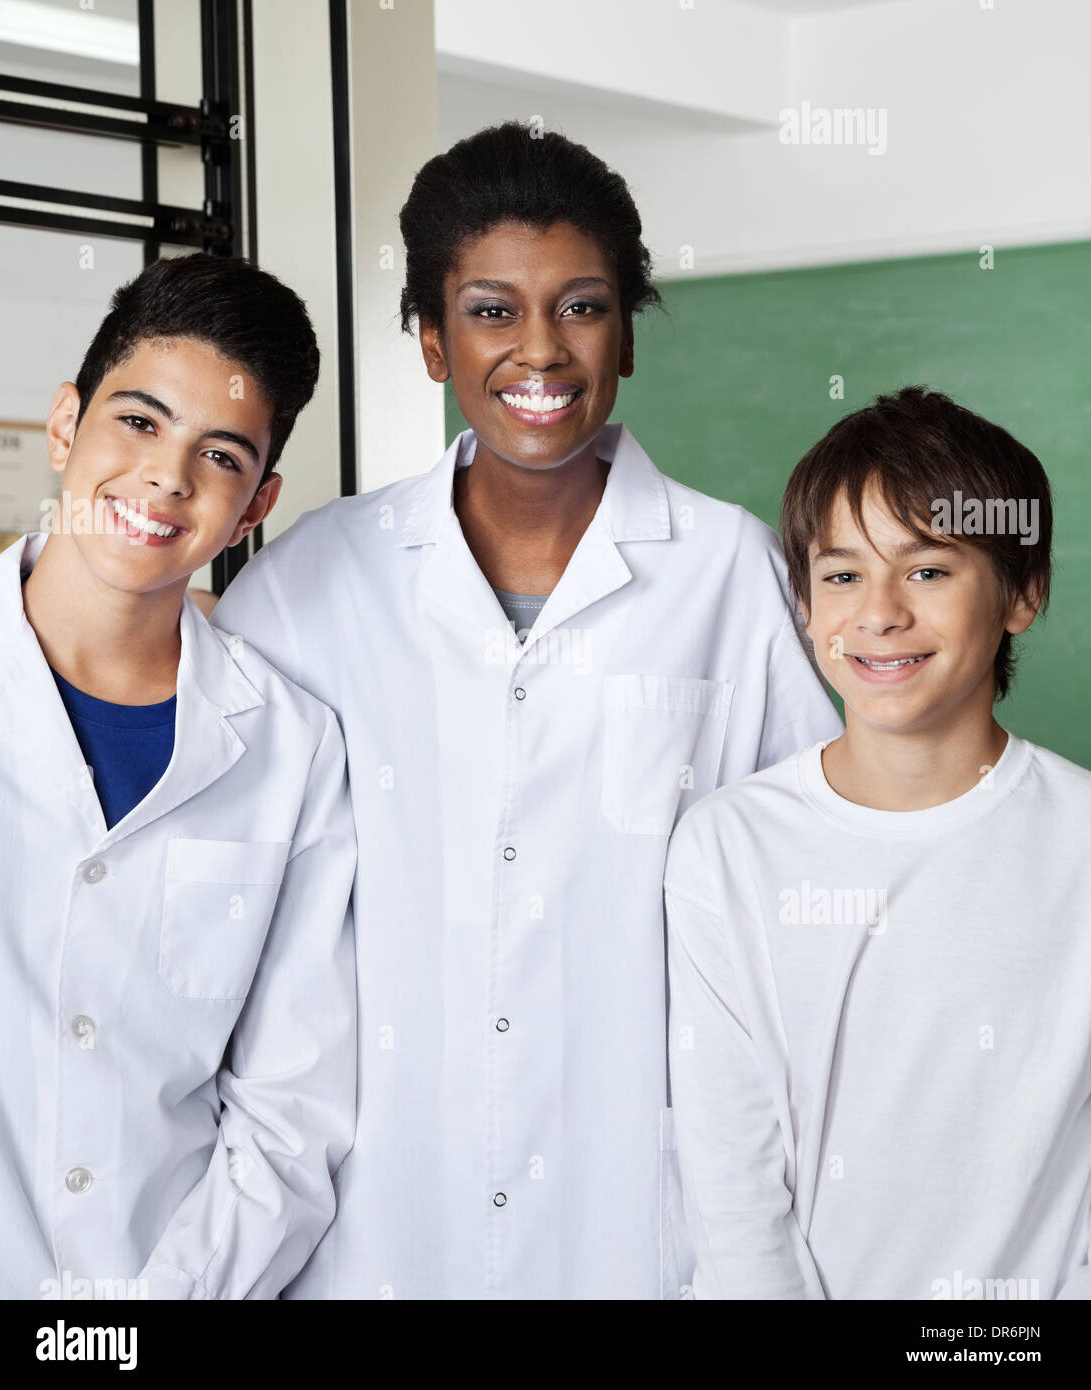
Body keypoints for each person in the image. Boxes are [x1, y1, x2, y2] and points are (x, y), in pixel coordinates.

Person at [212, 121, 841, 1299]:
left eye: (583, 307)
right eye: (493, 311)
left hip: (640, 1236)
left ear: (628, 336)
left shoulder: (730, 576)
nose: (540, 351)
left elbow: (803, 921)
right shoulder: (310, 584)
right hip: (372, 1235)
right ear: (431, 342)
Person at [665, 386, 1091, 1300]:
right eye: (842, 575)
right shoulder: (729, 847)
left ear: (1023, 591)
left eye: (928, 571)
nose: (879, 612)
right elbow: (731, 1176)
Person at [0, 254, 357, 1299]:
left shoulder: (290, 749)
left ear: (255, 506)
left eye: (220, 454)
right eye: (138, 424)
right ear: (65, 424)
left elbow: (295, 1109)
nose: (166, 479)